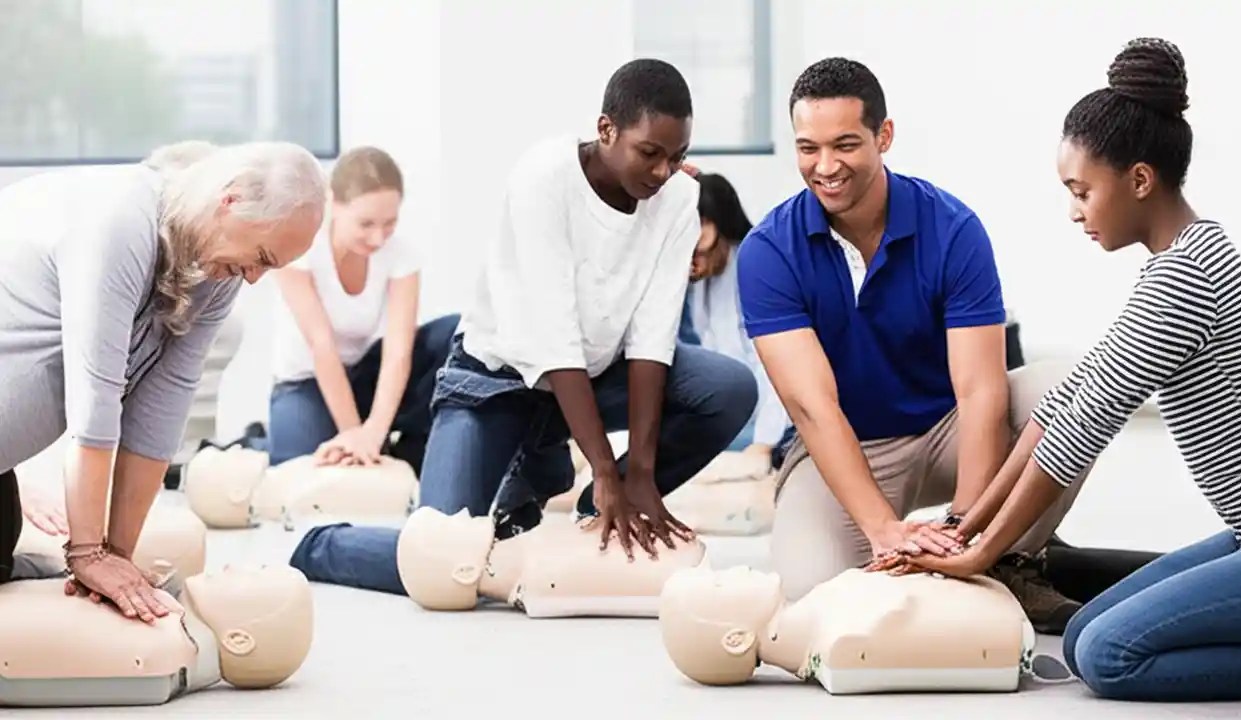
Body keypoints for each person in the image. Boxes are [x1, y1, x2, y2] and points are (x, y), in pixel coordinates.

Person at [895, 38, 1241, 702]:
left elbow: (1083, 433)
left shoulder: (1187, 277)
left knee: (1109, 655)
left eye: (1082, 190)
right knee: (1081, 636)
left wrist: (981, 556)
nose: (1075, 210)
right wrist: (967, 526)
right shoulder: (1179, 259)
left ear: (1138, 180)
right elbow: (1066, 403)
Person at [288, 59, 758, 595]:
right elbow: (554, 341)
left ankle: (575, 498)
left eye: (676, 158)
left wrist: (638, 476)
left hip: (597, 377)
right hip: (496, 383)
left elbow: (652, 337)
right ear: (606, 130)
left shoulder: (678, 200)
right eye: (649, 153)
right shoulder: (544, 178)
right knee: (441, 564)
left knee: (727, 387)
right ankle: (322, 545)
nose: (661, 172)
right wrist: (604, 470)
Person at [735, 57, 1088, 632]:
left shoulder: (952, 228)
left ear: (884, 136)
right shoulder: (767, 252)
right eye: (808, 148)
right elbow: (813, 407)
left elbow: (979, 392)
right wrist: (882, 528)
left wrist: (965, 528)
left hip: (946, 429)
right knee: (814, 586)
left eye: (845, 144)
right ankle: (961, 555)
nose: (825, 167)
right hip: (848, 446)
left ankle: (1009, 556)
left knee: (1070, 387)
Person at [0, 139, 326, 623]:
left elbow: (163, 406)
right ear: (230, 198)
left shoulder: (218, 274)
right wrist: (87, 554)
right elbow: (97, 401)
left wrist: (116, 555)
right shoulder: (121, 223)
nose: (255, 278)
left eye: (268, 266)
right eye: (260, 255)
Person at [267, 146, 460, 474]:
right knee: (300, 467)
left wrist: (374, 432)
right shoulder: (301, 250)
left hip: (364, 377)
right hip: (309, 382)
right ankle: (255, 440)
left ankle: (414, 440)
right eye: (366, 223)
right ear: (334, 204)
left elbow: (399, 351)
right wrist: (354, 434)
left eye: (390, 223)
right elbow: (322, 347)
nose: (377, 237)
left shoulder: (401, 255)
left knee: (453, 332)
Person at [682, 171, 789, 457]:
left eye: (698, 228)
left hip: (773, 420)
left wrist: (764, 443)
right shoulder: (703, 279)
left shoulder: (754, 268)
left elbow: (776, 363)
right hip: (734, 412)